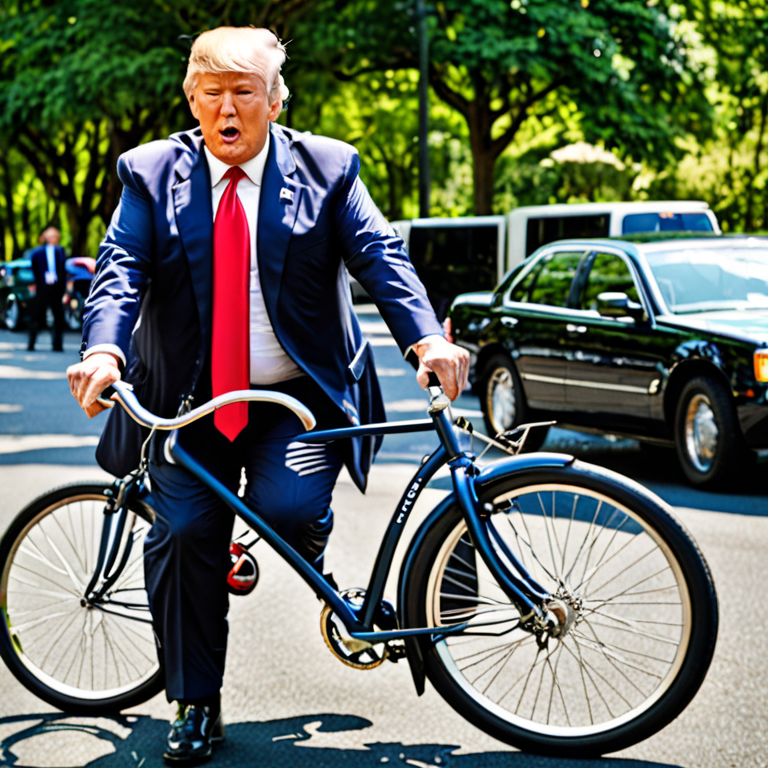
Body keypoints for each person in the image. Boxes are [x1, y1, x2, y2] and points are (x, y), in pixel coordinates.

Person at [66, 26, 469, 764]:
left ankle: (275, 534)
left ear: (276, 101)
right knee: (185, 536)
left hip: (295, 399)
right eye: (210, 93)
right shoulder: (150, 173)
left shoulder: (329, 168)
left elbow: (379, 253)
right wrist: (103, 349)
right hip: (189, 406)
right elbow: (120, 266)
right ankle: (194, 701)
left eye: (243, 92)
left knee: (287, 507)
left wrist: (426, 337)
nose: (226, 108)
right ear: (191, 98)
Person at [27, 226, 66, 352]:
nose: (54, 238)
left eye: (56, 235)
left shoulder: (60, 251)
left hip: (56, 288)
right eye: (51, 235)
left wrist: (63, 288)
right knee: (36, 316)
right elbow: (33, 269)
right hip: (42, 288)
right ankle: (31, 344)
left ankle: (57, 345)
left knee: (58, 317)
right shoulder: (37, 253)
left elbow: (63, 270)